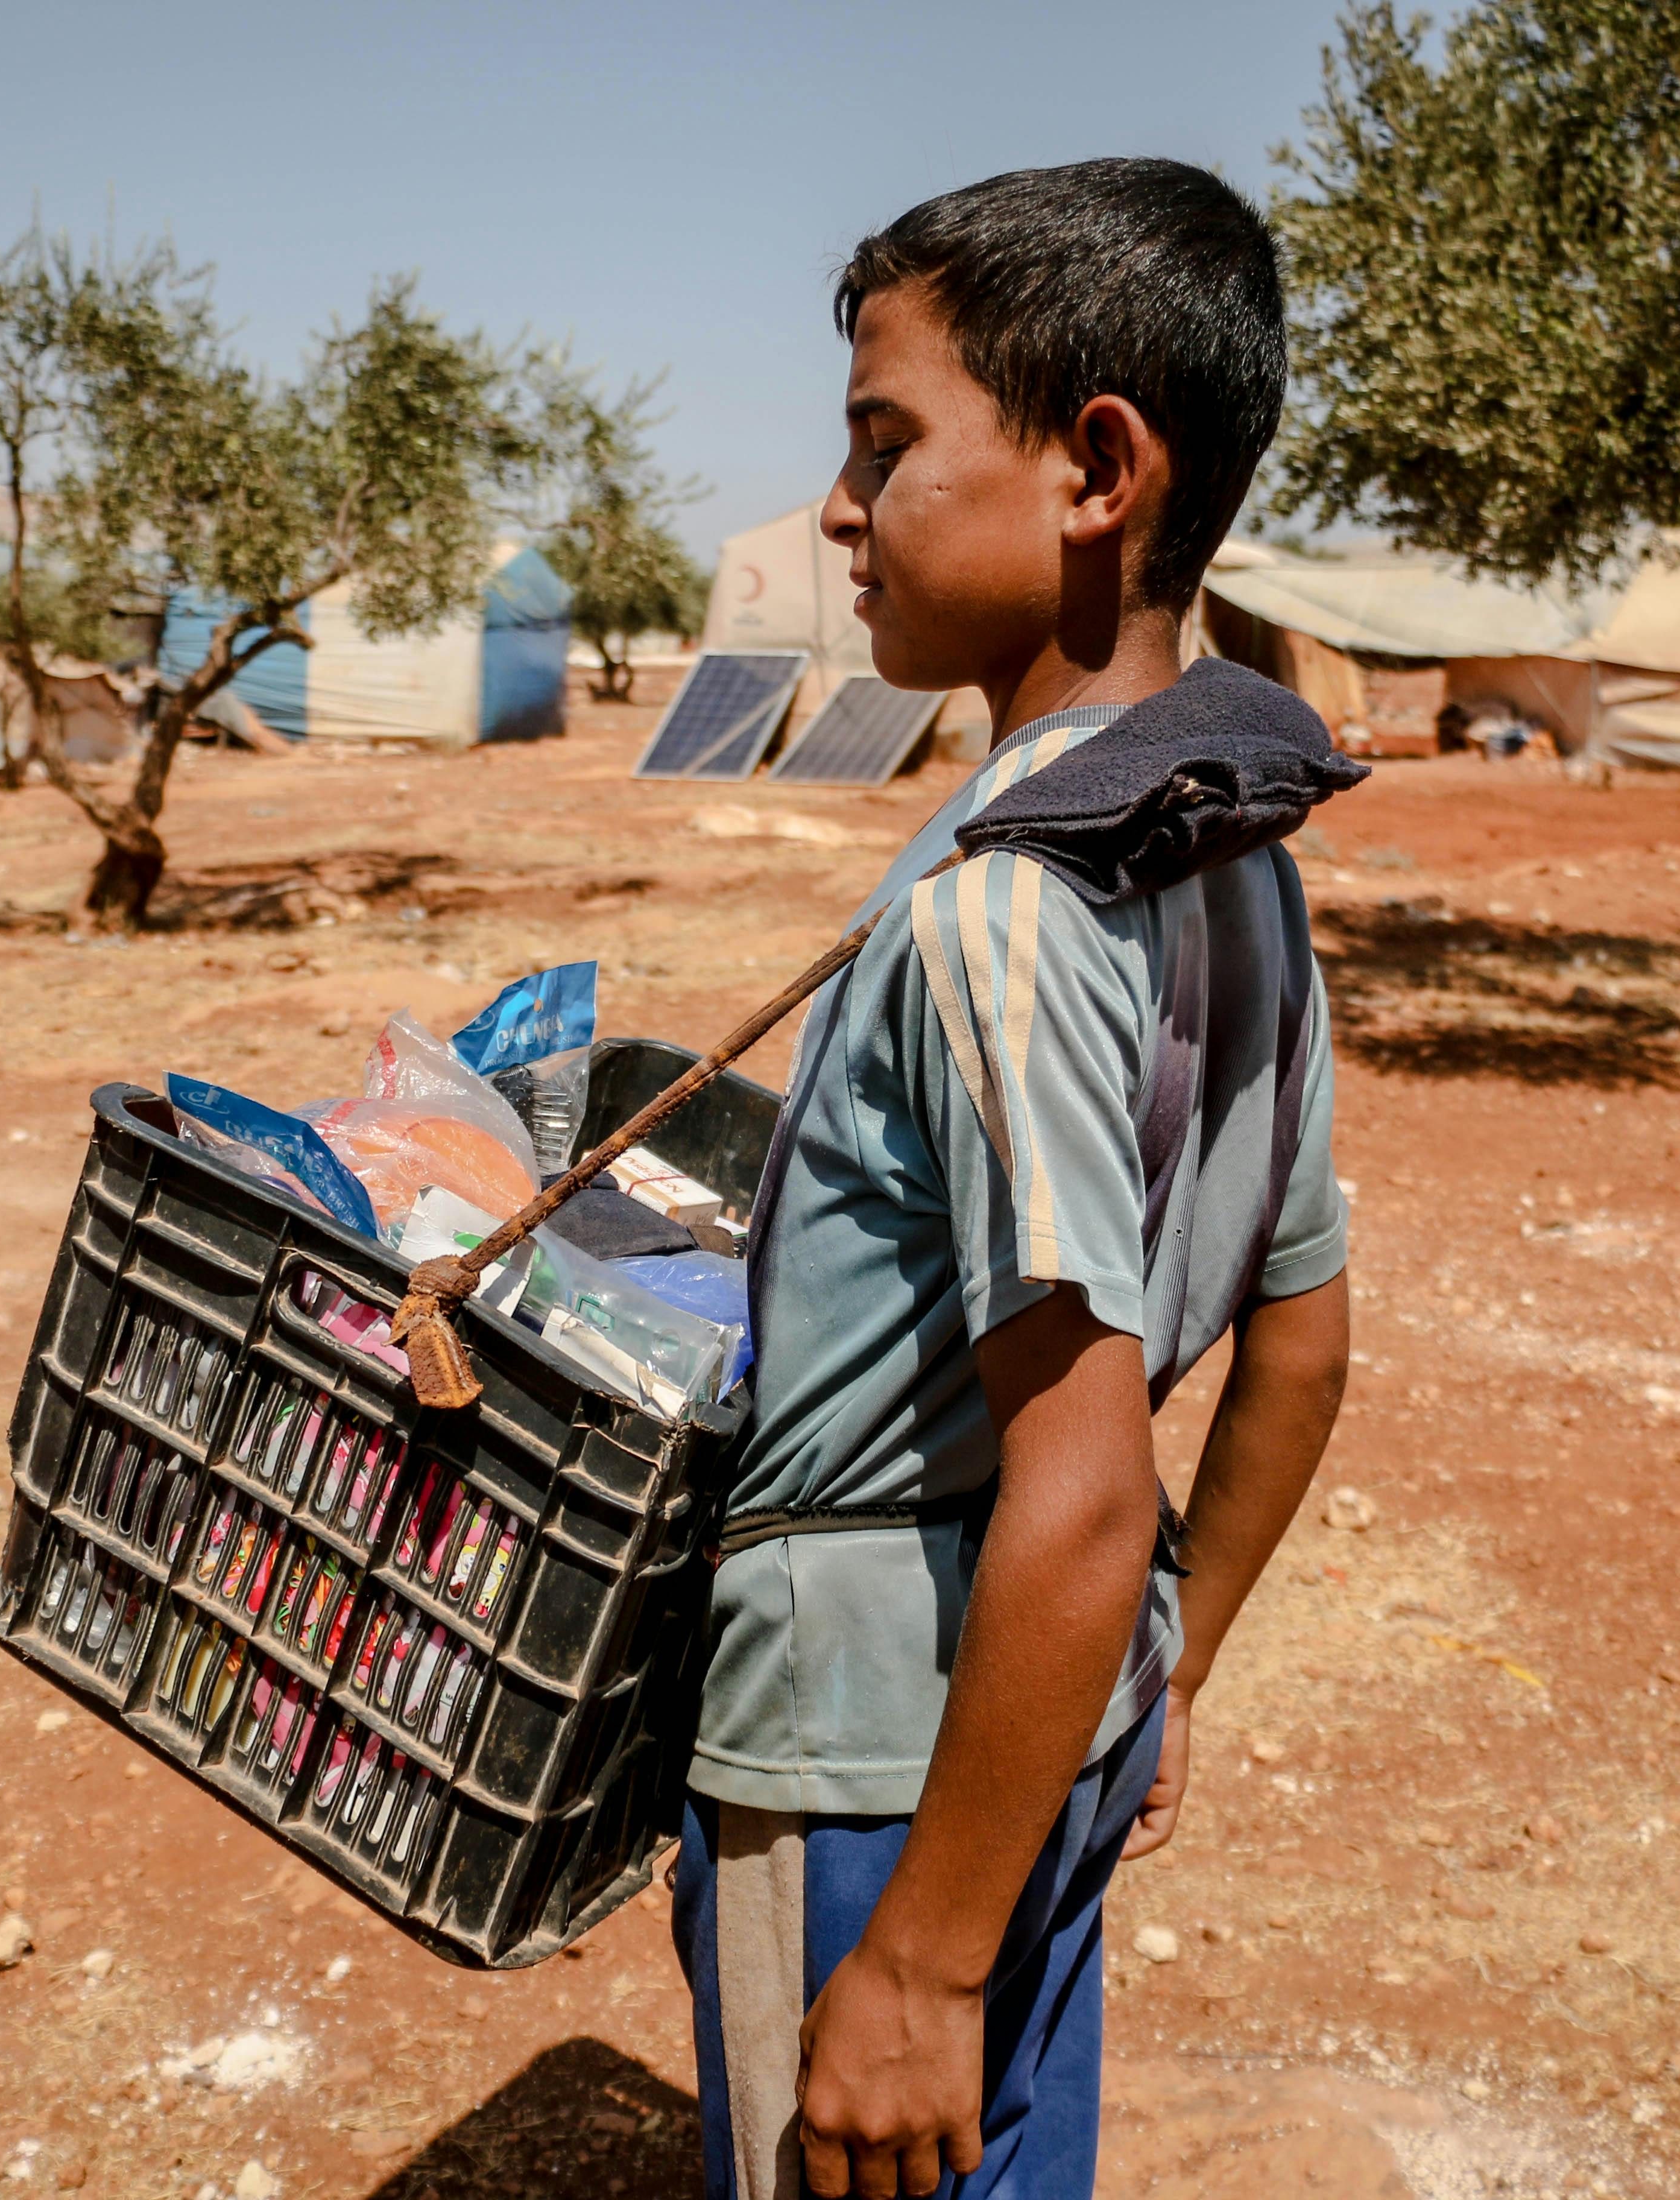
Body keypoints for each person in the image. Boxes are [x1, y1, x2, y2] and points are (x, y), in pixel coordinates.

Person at [666, 157, 1360, 2200]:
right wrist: (1166, 1666)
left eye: (887, 444)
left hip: (883, 1759)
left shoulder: (1009, 909)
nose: (837, 506)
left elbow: (1080, 1474)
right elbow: (1299, 1348)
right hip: (1034, 1725)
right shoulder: (1224, 846)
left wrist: (923, 1965)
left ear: (1097, 472)